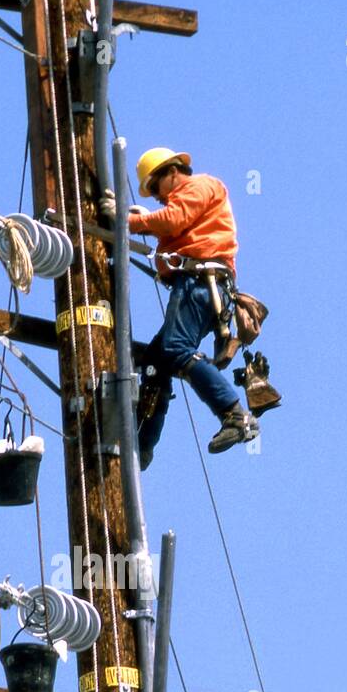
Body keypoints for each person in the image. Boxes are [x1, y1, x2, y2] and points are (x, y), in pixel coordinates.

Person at [101, 146, 259, 469]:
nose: (156, 198)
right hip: (194, 285)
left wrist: (127, 220)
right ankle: (142, 444)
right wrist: (134, 219)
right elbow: (169, 223)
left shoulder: (200, 185)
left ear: (172, 172)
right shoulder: (185, 197)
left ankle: (234, 414)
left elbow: (172, 221)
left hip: (200, 284)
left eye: (155, 187)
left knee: (175, 348)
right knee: (155, 365)